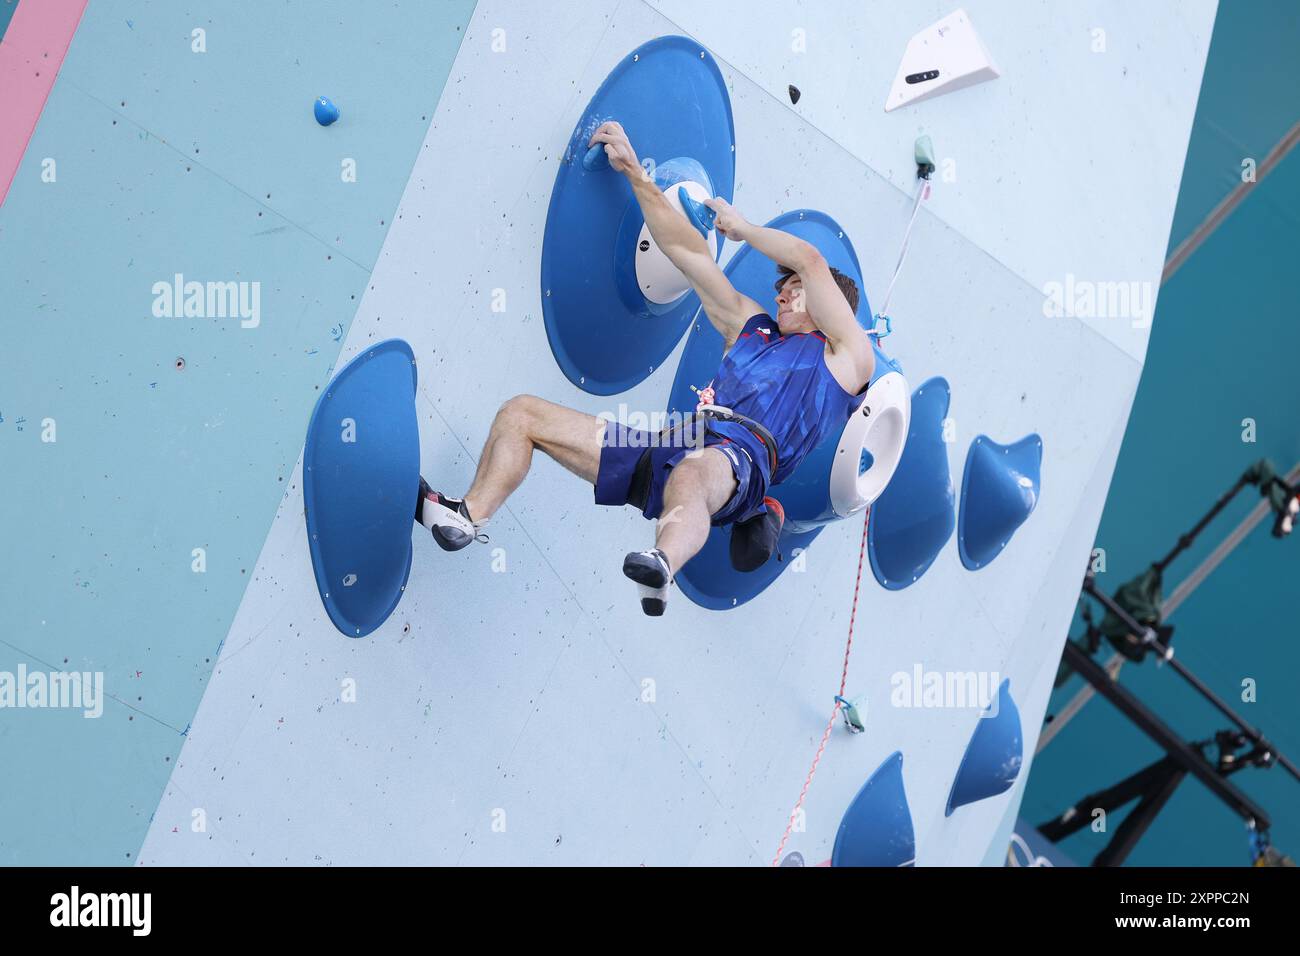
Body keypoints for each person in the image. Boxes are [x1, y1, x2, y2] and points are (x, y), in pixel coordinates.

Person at [417, 121, 875, 615]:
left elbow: (808, 259)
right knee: (522, 416)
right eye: (780, 287)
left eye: (794, 290)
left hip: (738, 464)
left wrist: (741, 229)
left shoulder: (845, 360)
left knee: (696, 474)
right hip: (673, 447)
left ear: (832, 310)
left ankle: (662, 565)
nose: (781, 292)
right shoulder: (751, 327)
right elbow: (686, 252)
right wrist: (636, 174)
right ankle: (467, 516)